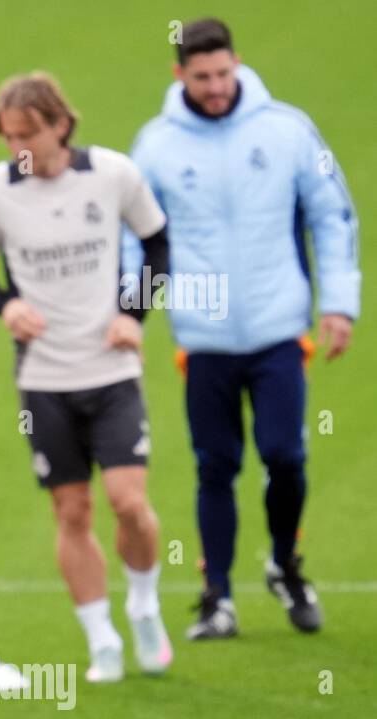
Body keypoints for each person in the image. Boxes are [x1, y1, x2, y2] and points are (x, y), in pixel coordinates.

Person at [125, 18, 360, 639]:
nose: (215, 86)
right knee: (215, 464)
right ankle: (217, 596)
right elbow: (136, 238)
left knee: (286, 455)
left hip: (280, 326)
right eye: (201, 77)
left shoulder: (286, 130)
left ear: (237, 64)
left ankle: (285, 565)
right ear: (180, 75)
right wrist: (129, 313)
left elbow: (332, 215)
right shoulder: (156, 147)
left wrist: (339, 303)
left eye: (223, 73)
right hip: (203, 336)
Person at [0, 73, 172, 682]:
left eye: (28, 135)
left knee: (129, 502)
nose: (18, 149)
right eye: (8, 138)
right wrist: (7, 305)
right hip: (44, 379)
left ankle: (144, 603)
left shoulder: (112, 174)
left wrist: (135, 313)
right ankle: (102, 637)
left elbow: (159, 244)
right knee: (72, 511)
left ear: (61, 125)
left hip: (111, 369)